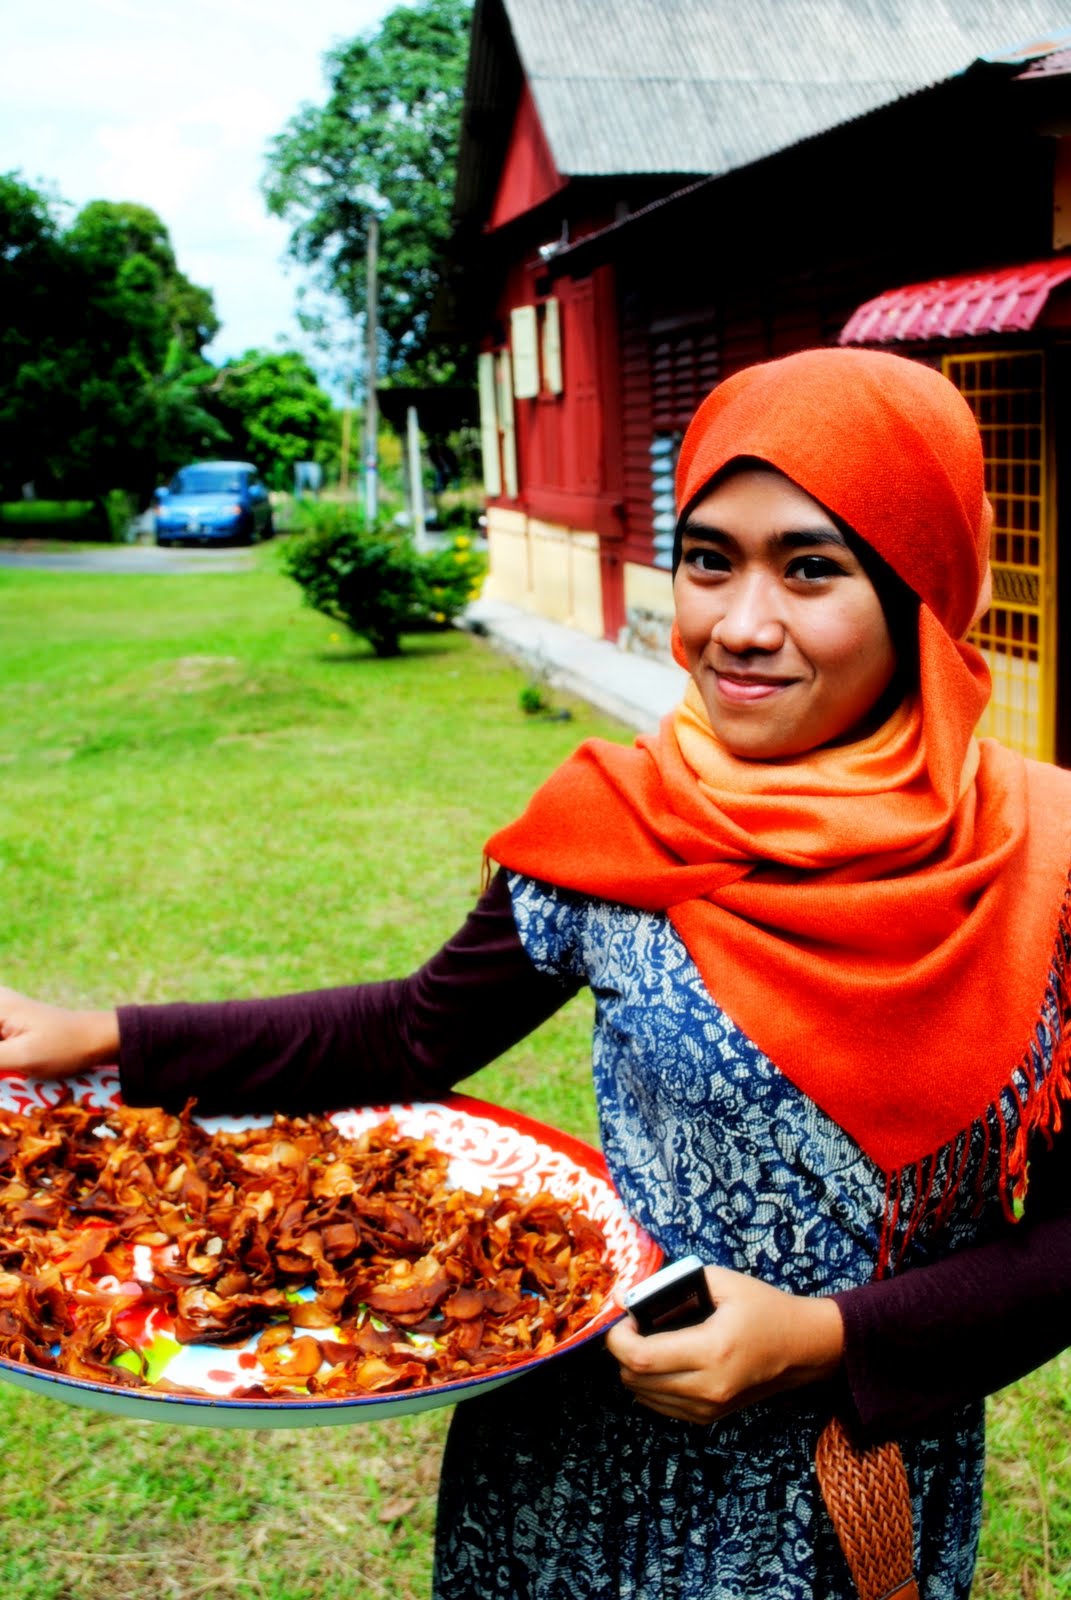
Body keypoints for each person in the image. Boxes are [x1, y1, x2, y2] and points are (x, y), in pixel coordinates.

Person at [3, 347, 1071, 1598]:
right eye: (710, 557)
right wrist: (103, 1036)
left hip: (840, 1481)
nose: (740, 623)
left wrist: (823, 1338)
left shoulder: (1046, 864)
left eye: (814, 567)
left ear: (922, 588)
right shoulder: (621, 823)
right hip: (576, 1467)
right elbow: (409, 1032)